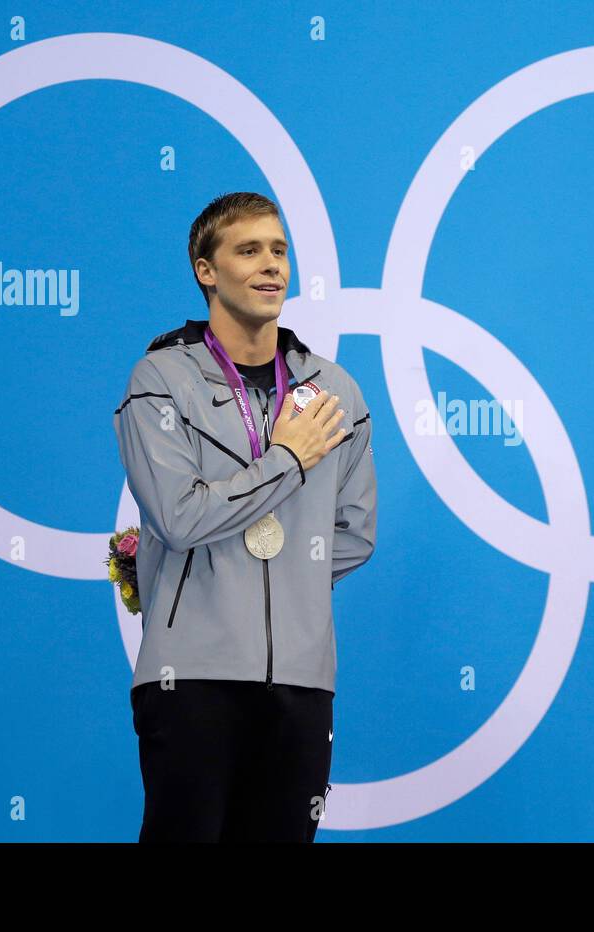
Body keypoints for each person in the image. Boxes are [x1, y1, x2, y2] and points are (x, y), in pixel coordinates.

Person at [113, 192, 377, 842]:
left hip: (302, 679)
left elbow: (354, 533)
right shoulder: (160, 380)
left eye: (280, 250)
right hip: (191, 676)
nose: (271, 266)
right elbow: (179, 516)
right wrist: (288, 459)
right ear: (206, 270)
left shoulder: (334, 391)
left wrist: (284, 581)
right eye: (249, 250)